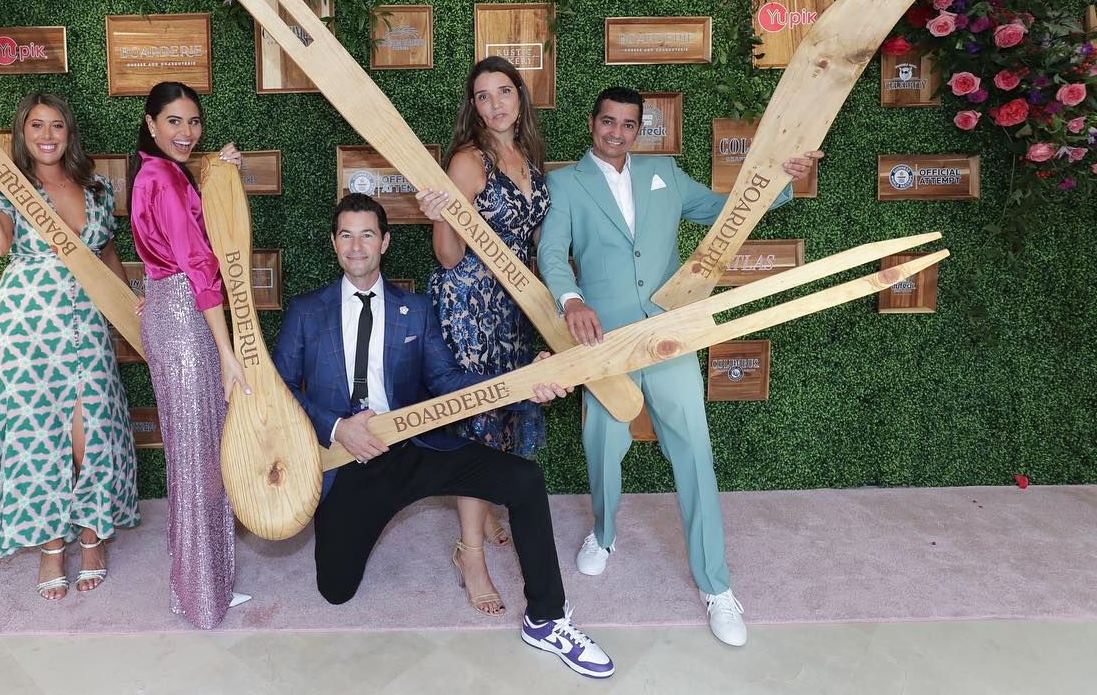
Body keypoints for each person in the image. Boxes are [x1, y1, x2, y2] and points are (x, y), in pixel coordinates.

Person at [271, 192, 615, 679]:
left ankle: (546, 618)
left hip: (414, 449)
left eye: (367, 234)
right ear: (334, 243)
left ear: (384, 242)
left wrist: (525, 384)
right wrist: (337, 427)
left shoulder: (415, 309)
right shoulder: (307, 311)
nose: (356, 246)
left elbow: (449, 381)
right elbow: (280, 389)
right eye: (346, 235)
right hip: (346, 462)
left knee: (523, 479)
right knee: (335, 590)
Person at [537, 85, 822, 647]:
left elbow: (724, 211)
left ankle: (717, 586)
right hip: (606, 340)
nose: (617, 133)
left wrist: (782, 181)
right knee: (603, 447)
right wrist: (571, 301)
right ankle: (603, 533)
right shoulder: (565, 183)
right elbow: (552, 252)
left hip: (669, 333)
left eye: (628, 124)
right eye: (608, 122)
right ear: (592, 123)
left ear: (639, 129)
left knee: (694, 453)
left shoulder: (664, 172)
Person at [0, 92, 141, 601]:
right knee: (37, 440)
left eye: (56, 125)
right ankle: (52, 547)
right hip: (25, 330)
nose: (47, 135)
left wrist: (127, 312)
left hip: (87, 326)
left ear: (68, 131)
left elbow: (106, 253)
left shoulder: (97, 188)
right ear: (23, 133)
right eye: (36, 125)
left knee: (92, 434)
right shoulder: (12, 186)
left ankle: (93, 537)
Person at [414, 56, 550, 618]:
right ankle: (470, 556)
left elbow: (533, 240)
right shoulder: (468, 161)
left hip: (514, 307)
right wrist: (440, 216)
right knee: (480, 424)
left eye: (504, 91)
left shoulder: (529, 157)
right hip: (471, 305)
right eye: (483, 95)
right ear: (473, 106)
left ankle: (486, 510)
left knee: (505, 418)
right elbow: (448, 257)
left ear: (519, 97)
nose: (495, 104)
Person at [127, 80, 252, 629]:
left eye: (193, 121)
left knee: (196, 455)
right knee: (200, 458)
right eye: (173, 121)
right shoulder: (164, 178)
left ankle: (202, 584)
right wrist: (227, 352)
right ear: (151, 124)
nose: (186, 131)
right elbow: (200, 269)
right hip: (187, 321)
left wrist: (219, 171)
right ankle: (202, 595)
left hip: (172, 311)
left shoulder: (160, 173)